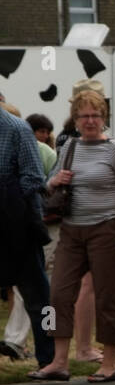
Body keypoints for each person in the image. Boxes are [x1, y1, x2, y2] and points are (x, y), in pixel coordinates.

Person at [25, 89, 115, 382]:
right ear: (75, 119)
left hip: (107, 227)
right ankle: (58, 361)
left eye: (95, 115)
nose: (90, 121)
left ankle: (109, 362)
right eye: (84, 116)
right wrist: (54, 180)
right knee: (56, 294)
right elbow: (49, 187)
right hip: (71, 228)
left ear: (104, 118)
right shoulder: (69, 146)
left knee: (107, 296)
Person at [0, 108, 55, 369]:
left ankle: (51, 355)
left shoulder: (17, 129)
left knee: (41, 297)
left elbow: (33, 177)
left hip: (19, 223)